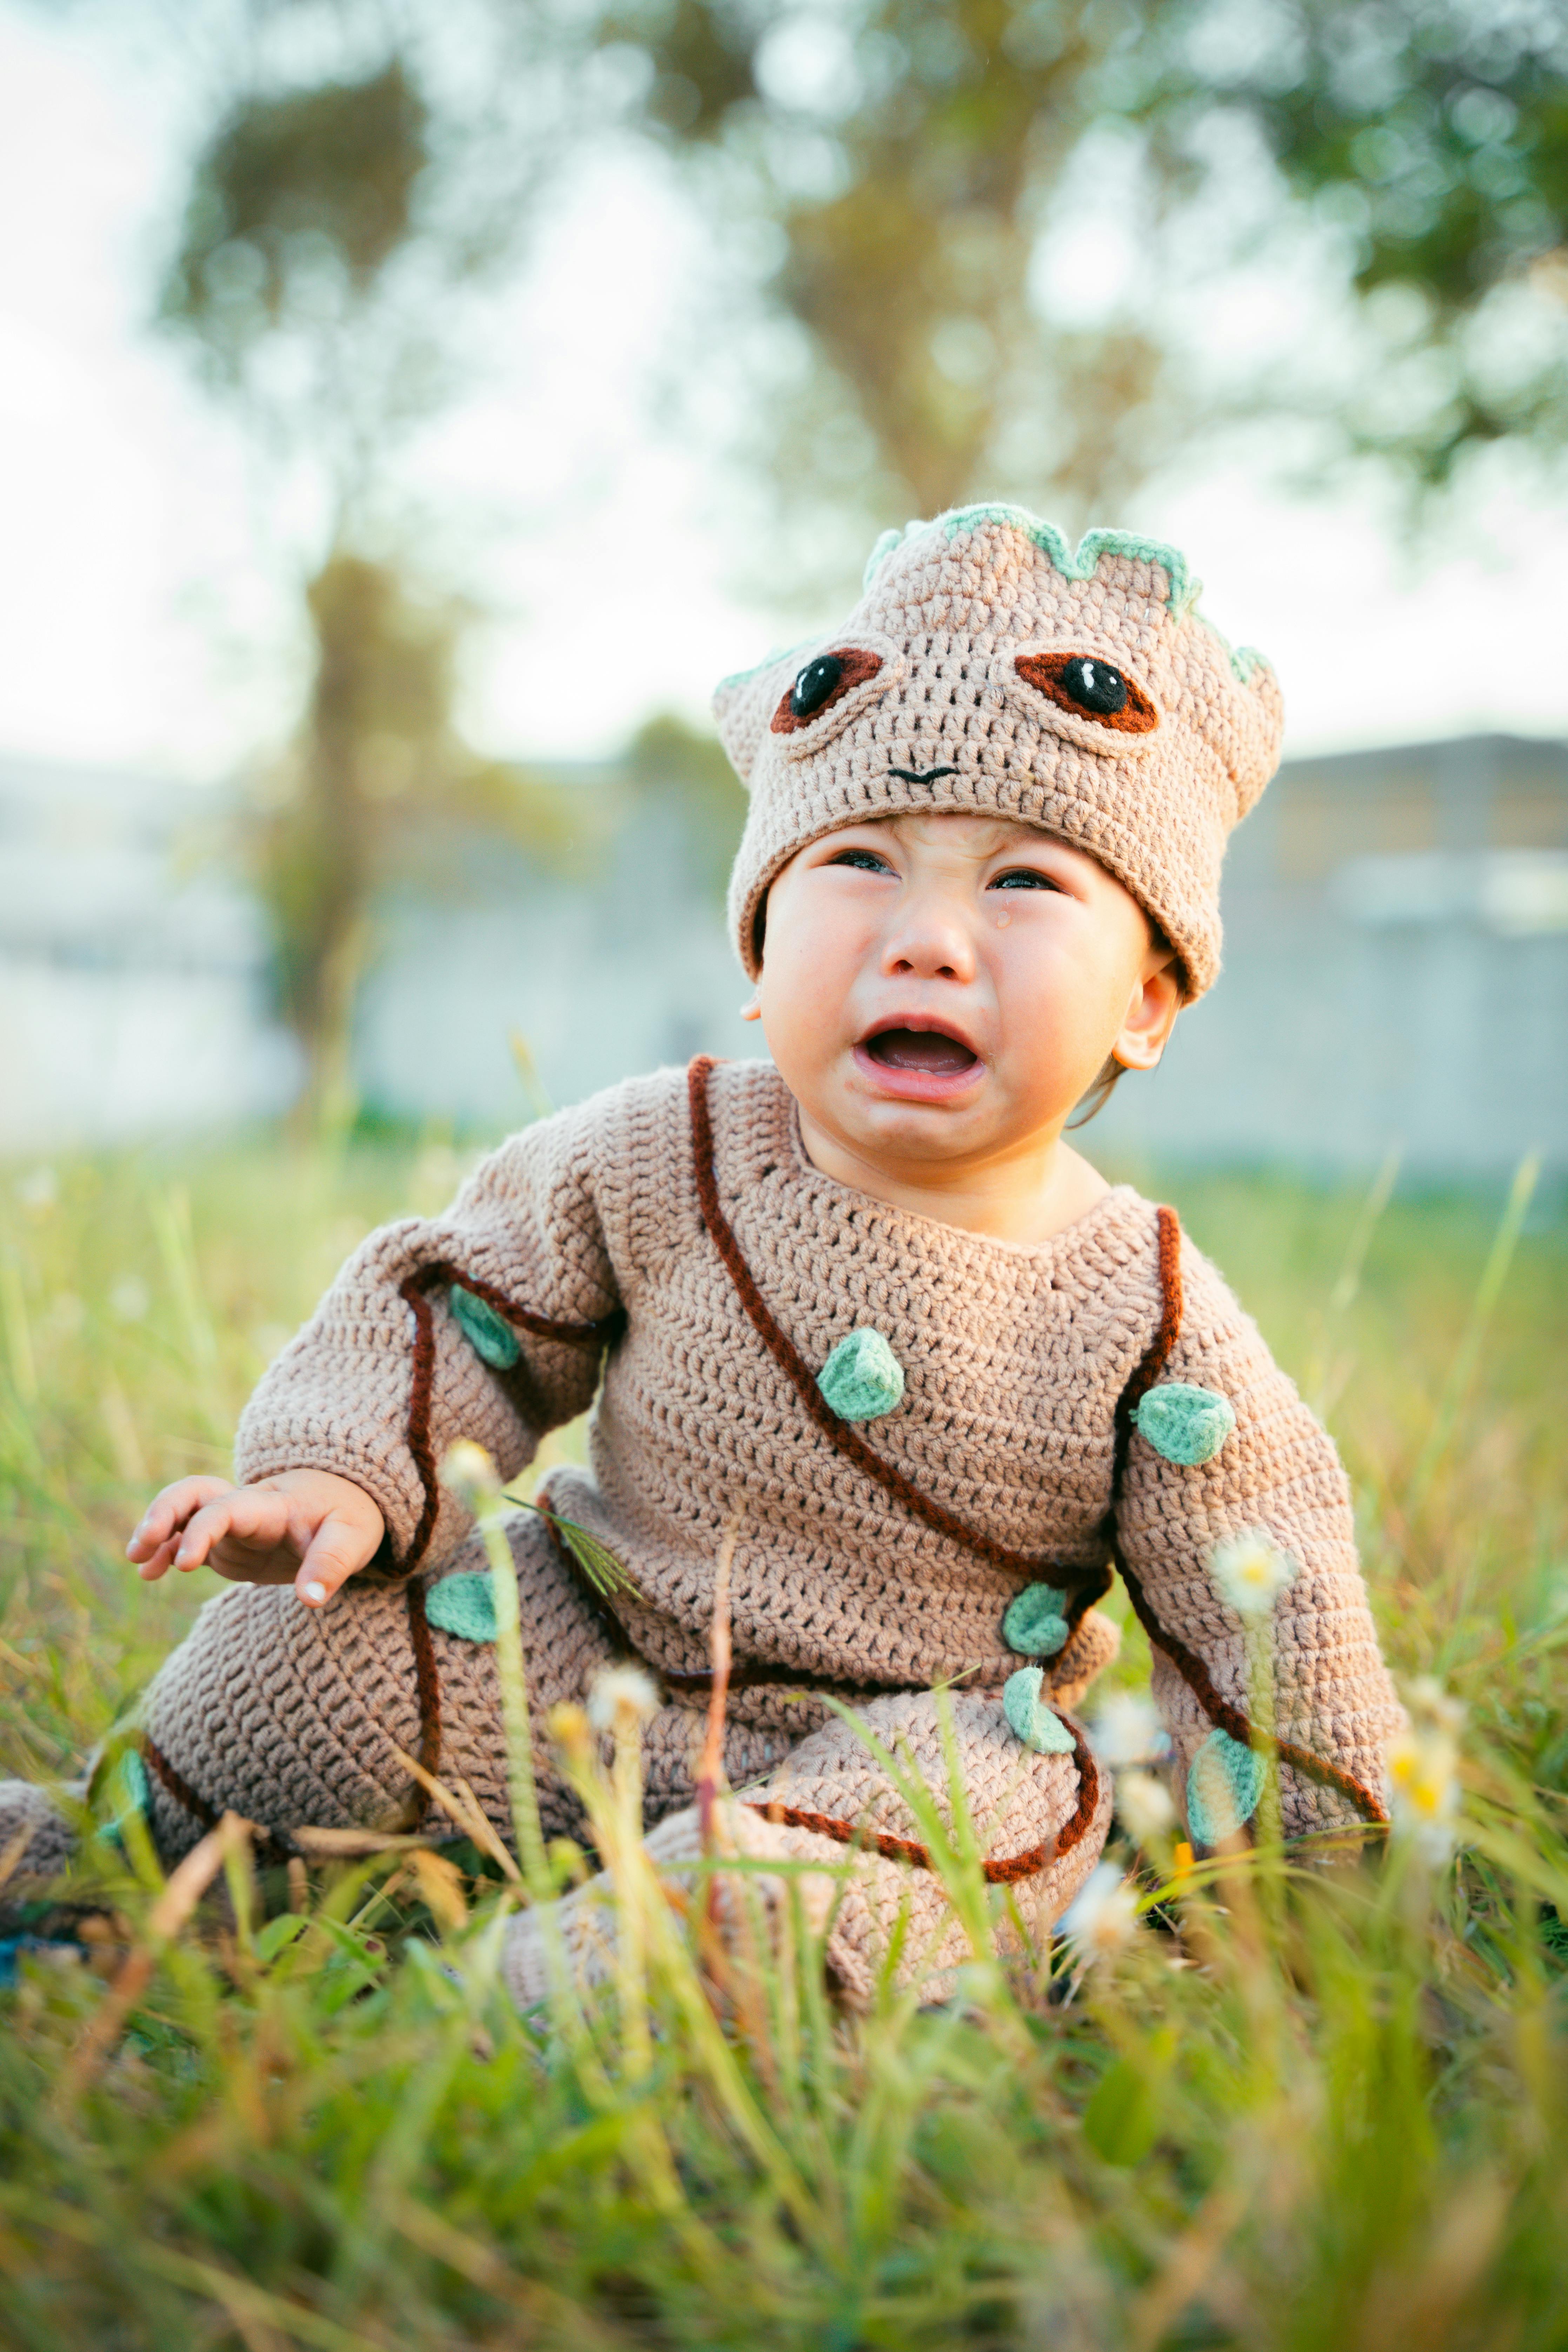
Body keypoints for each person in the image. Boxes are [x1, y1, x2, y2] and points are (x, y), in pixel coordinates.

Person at [1, 506, 1402, 2006]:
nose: (926, 937)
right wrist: (341, 1474)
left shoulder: (1148, 1314)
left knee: (927, 1840)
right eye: (858, 859)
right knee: (300, 1659)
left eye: (1022, 883)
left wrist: (1305, 1881)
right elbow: (462, 1298)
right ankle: (100, 1862)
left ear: (1145, 1003)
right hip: (578, 1643)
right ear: (755, 956)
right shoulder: (663, 1147)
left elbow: (1272, 1613)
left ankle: (621, 1984)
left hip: (915, 1730)